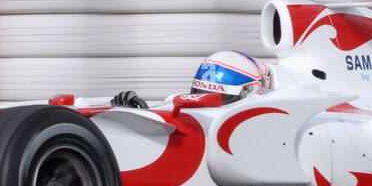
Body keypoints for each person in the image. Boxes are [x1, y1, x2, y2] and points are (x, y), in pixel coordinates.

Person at [110, 50, 274, 110]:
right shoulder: (174, 103)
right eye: (199, 93)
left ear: (250, 92)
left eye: (218, 98)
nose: (200, 102)